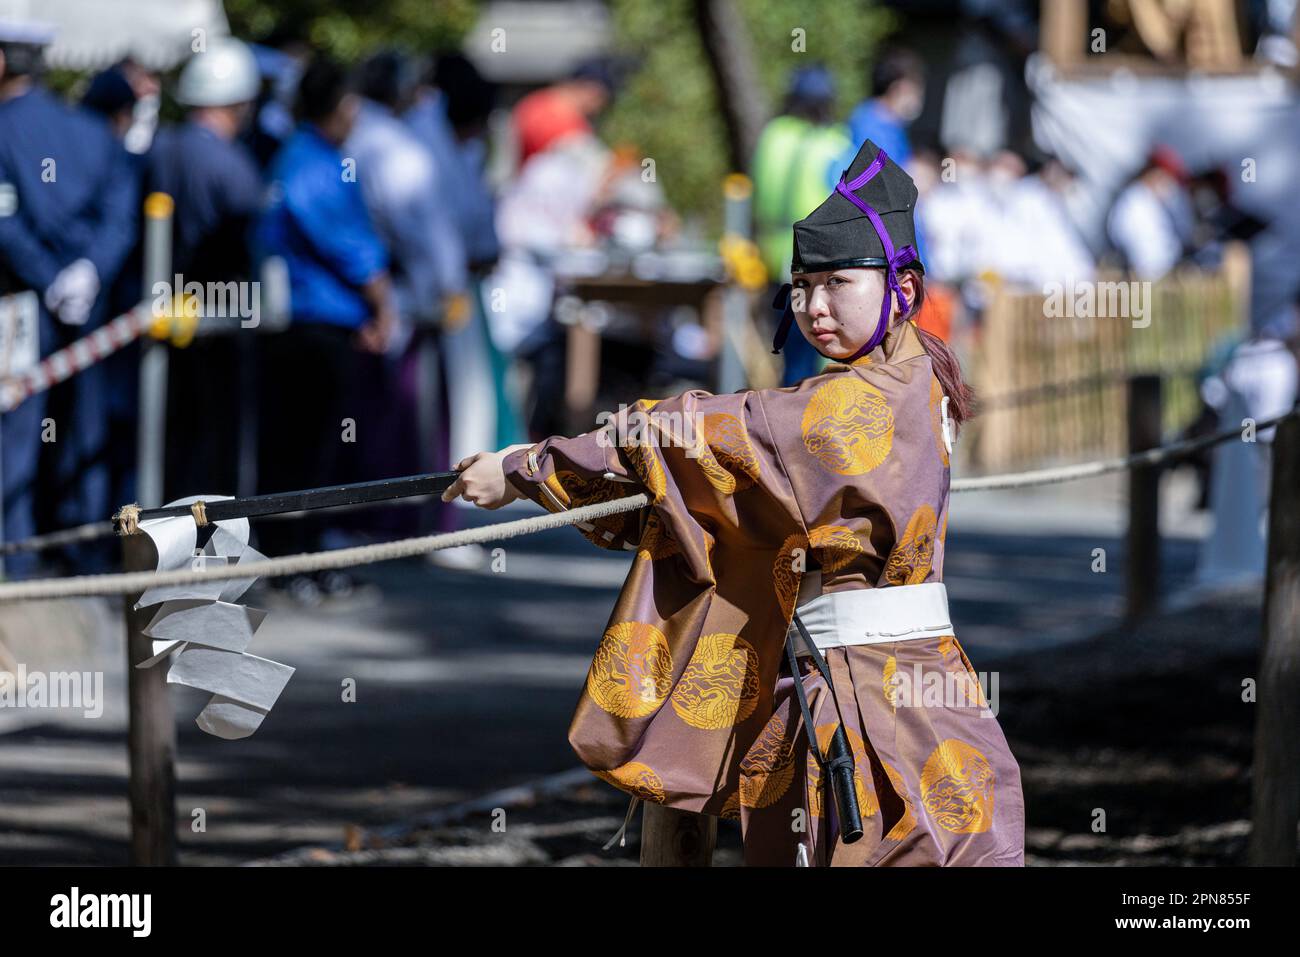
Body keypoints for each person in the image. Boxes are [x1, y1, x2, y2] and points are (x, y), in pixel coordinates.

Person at [443, 139, 1025, 866]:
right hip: (906, 687)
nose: (813, 306)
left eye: (837, 282)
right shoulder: (918, 370)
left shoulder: (856, 405)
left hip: (871, 701)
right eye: (801, 286)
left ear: (902, 289)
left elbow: (704, 433)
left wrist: (526, 468)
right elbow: (727, 456)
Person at [253, 55, 395, 602]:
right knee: (307, 451)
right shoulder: (311, 163)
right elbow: (349, 245)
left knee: (306, 449)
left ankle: (301, 554)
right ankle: (295, 559)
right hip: (313, 326)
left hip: (311, 322)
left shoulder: (304, 157)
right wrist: (381, 301)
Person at [0, 20, 138, 574]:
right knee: (86, 428)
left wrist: (48, 277)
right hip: (90, 306)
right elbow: (120, 218)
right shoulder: (87, 129)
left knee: (19, 433)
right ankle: (87, 549)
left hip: (21, 303)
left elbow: (5, 224)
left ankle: (18, 558)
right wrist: (88, 272)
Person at [150, 37, 264, 502]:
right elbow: (253, 235)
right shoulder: (231, 163)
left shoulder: (162, 148)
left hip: (166, 312)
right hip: (221, 318)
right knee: (215, 441)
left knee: (171, 437)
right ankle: (208, 549)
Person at [751, 64, 852, 385]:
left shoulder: (773, 134)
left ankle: (785, 420)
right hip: (817, 259)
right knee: (819, 348)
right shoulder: (835, 141)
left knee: (789, 348)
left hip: (773, 255)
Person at [846, 47, 924, 170]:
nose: (918, 98)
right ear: (899, 87)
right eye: (916, 89)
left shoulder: (893, 125)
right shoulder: (870, 126)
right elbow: (880, 181)